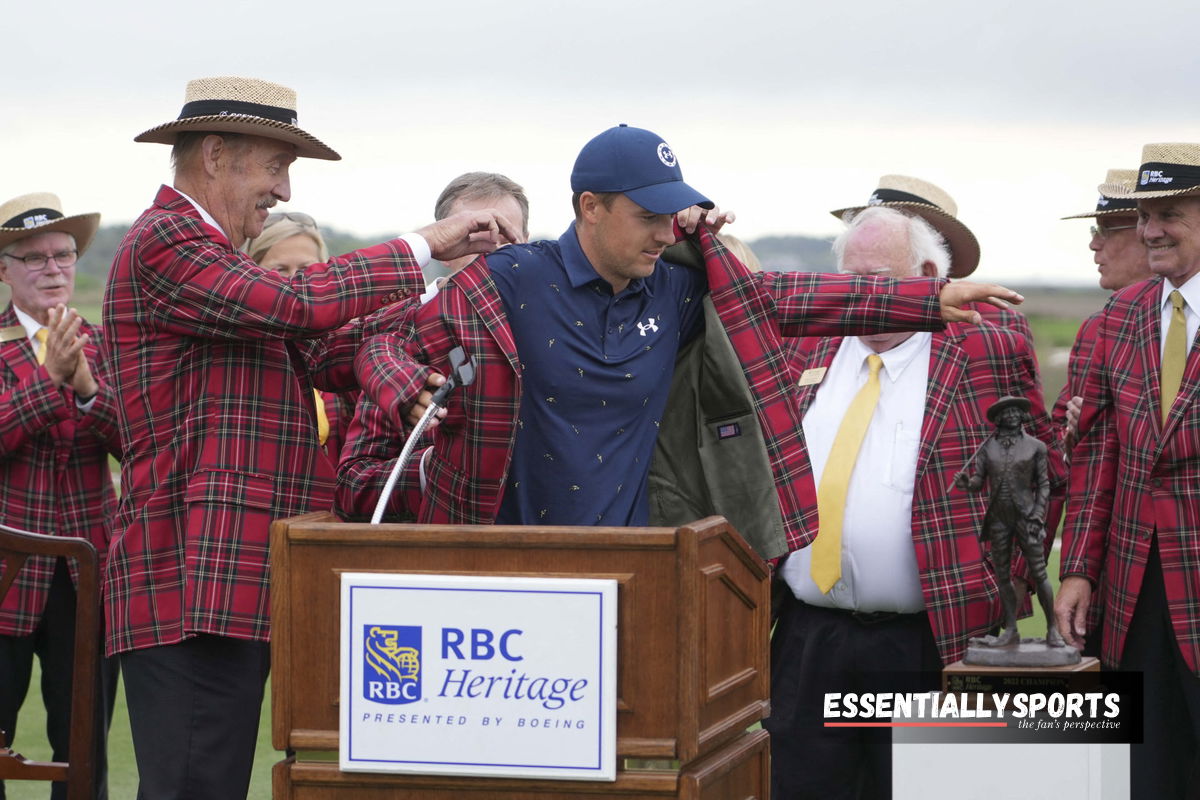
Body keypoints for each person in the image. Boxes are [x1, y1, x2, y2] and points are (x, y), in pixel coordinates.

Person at [101, 75, 519, 800]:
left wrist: (463, 293)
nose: (284, 190)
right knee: (196, 784)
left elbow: (333, 346)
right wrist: (427, 244)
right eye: (274, 165)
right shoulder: (166, 238)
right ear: (215, 153)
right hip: (190, 577)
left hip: (229, 577)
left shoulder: (216, 257)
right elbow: (302, 302)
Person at [348, 124, 1021, 559]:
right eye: (647, 217)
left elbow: (779, 302)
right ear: (589, 207)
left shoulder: (674, 289)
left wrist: (926, 300)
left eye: (673, 215)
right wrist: (406, 389)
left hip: (638, 569)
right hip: (504, 562)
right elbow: (382, 341)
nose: (665, 232)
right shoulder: (513, 277)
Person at [766, 204, 1060, 800]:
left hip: (927, 638)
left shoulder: (987, 347)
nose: (862, 299)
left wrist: (998, 582)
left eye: (878, 282)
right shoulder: (804, 346)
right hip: (807, 637)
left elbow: (1042, 469)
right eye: (851, 283)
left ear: (929, 273)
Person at [1055, 142, 1200, 800]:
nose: (1151, 230)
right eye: (1143, 216)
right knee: (1146, 774)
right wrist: (1081, 567)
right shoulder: (1121, 318)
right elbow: (1097, 459)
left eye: (1170, 213)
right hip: (1135, 595)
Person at [0, 192, 121, 800]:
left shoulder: (105, 346)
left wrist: (87, 387)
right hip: (3, 578)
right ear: (5, 269)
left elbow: (137, 445)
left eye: (64, 256)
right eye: (35, 258)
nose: (52, 269)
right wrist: (50, 386)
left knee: (83, 750)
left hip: (86, 575)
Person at [244, 211, 356, 464]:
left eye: (307, 269)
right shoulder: (239, 354)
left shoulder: (346, 347)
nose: (296, 281)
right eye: (280, 270)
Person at [954, 396, 1063, 647]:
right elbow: (977, 483)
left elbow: (1045, 484)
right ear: (1000, 418)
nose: (1012, 414)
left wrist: (1038, 515)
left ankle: (1052, 629)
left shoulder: (1036, 447)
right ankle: (1011, 629)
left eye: (1016, 411)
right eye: (1007, 411)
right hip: (999, 519)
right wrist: (965, 484)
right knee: (1002, 575)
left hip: (1027, 517)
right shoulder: (988, 448)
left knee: (1039, 572)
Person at [1055, 168, 1152, 447]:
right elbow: (1060, 427)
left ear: (1145, 230)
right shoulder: (1097, 327)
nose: (1093, 243)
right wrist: (1076, 433)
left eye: (1106, 230)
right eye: (1095, 229)